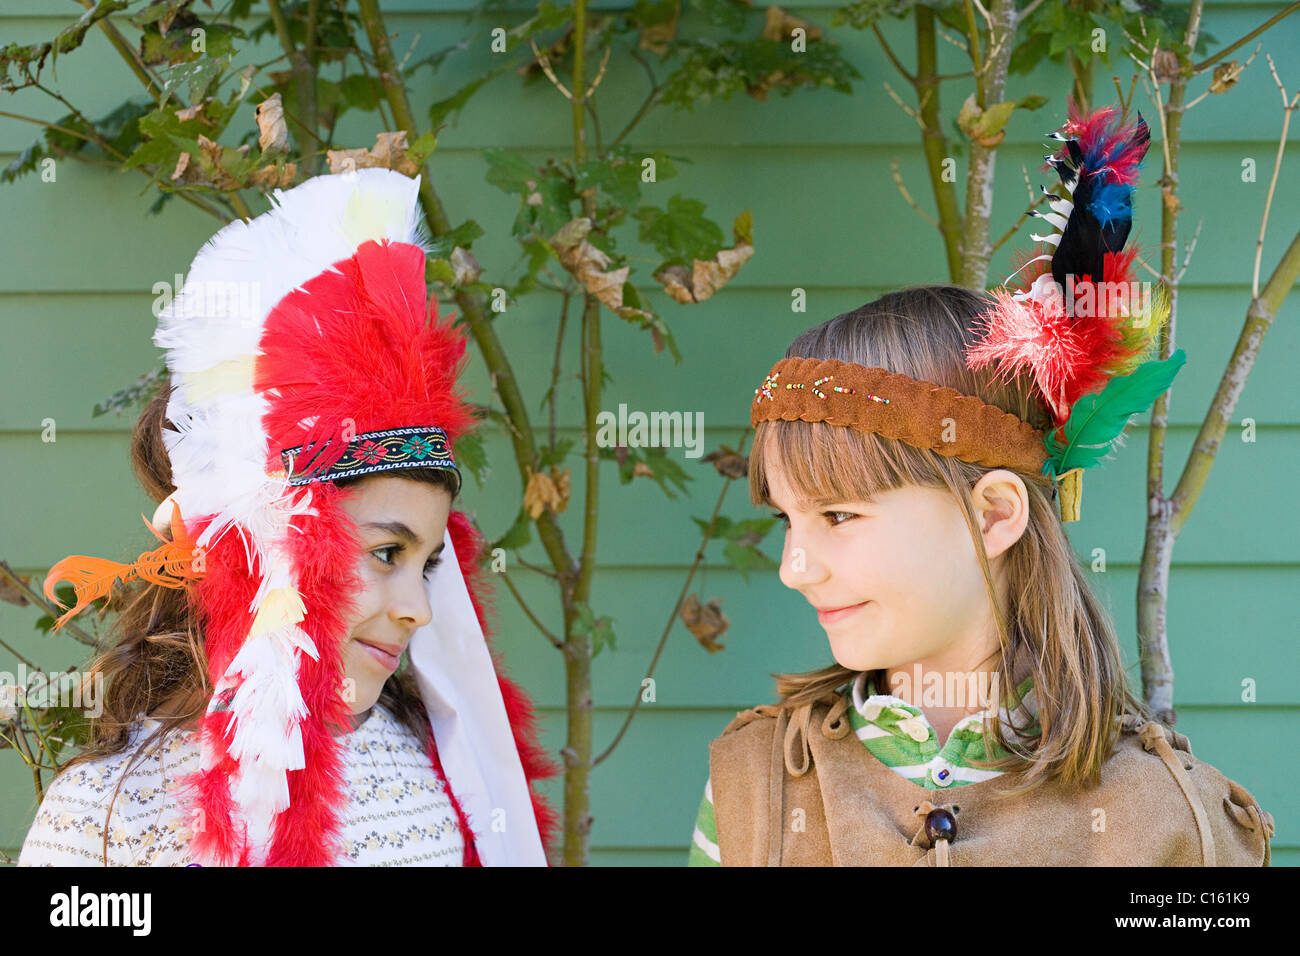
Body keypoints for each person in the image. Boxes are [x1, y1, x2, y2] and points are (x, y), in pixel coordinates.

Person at [688, 100, 1274, 866]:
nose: (795, 568)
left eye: (836, 515)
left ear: (996, 513)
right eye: (787, 522)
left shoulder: (1174, 822)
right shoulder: (754, 784)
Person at [19, 168, 558, 866]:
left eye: (429, 565)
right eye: (387, 553)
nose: (418, 609)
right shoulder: (111, 807)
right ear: (267, 548)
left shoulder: (440, 778)